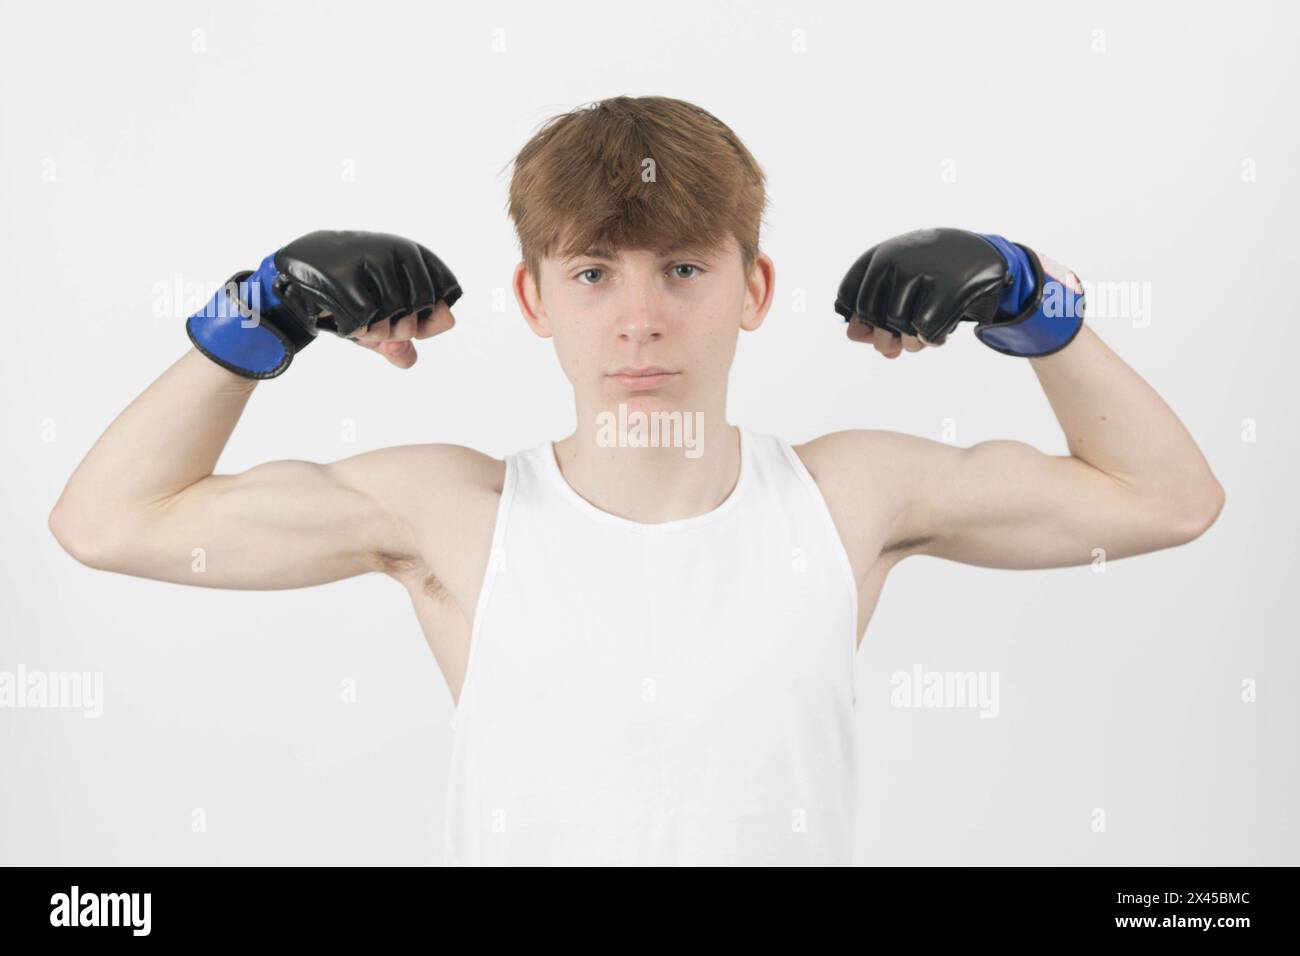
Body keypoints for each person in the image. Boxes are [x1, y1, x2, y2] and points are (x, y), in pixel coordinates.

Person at [48, 95, 1224, 866]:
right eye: (595, 272)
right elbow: (106, 522)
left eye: (683, 268)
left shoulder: (849, 496)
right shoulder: (454, 515)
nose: (641, 320)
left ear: (753, 290)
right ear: (533, 301)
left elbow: (1167, 499)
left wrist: (1040, 307)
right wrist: (252, 321)